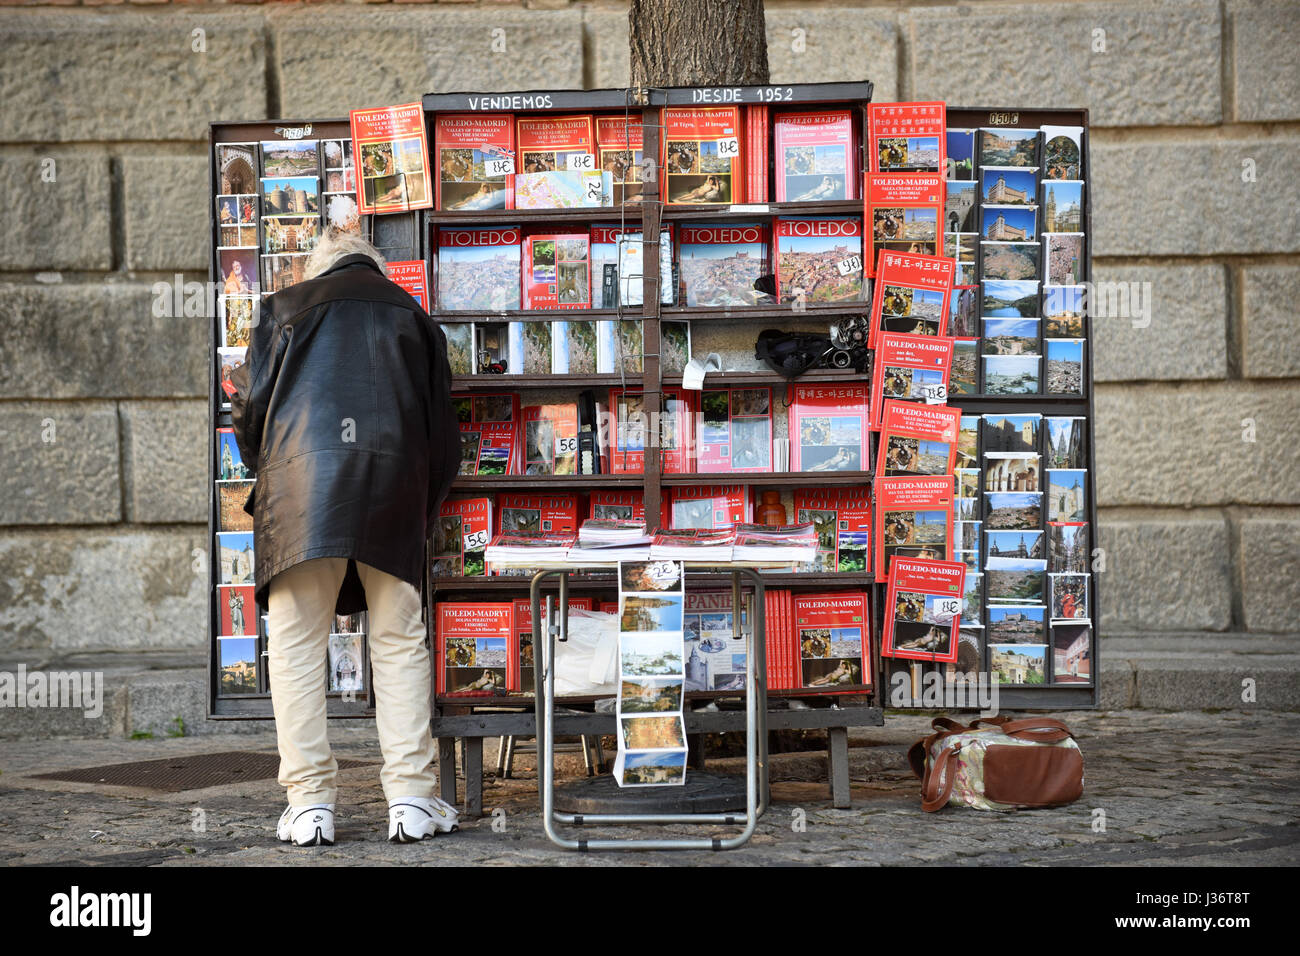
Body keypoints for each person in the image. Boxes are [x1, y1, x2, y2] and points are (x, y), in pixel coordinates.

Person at [230, 229, 462, 847]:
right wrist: (420, 502)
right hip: (394, 488)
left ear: (319, 268)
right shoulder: (414, 317)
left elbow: (250, 422)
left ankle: (309, 803)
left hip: (302, 492)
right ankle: (412, 797)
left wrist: (278, 470)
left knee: (296, 644)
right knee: (398, 639)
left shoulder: (282, 310)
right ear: (375, 267)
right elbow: (445, 443)